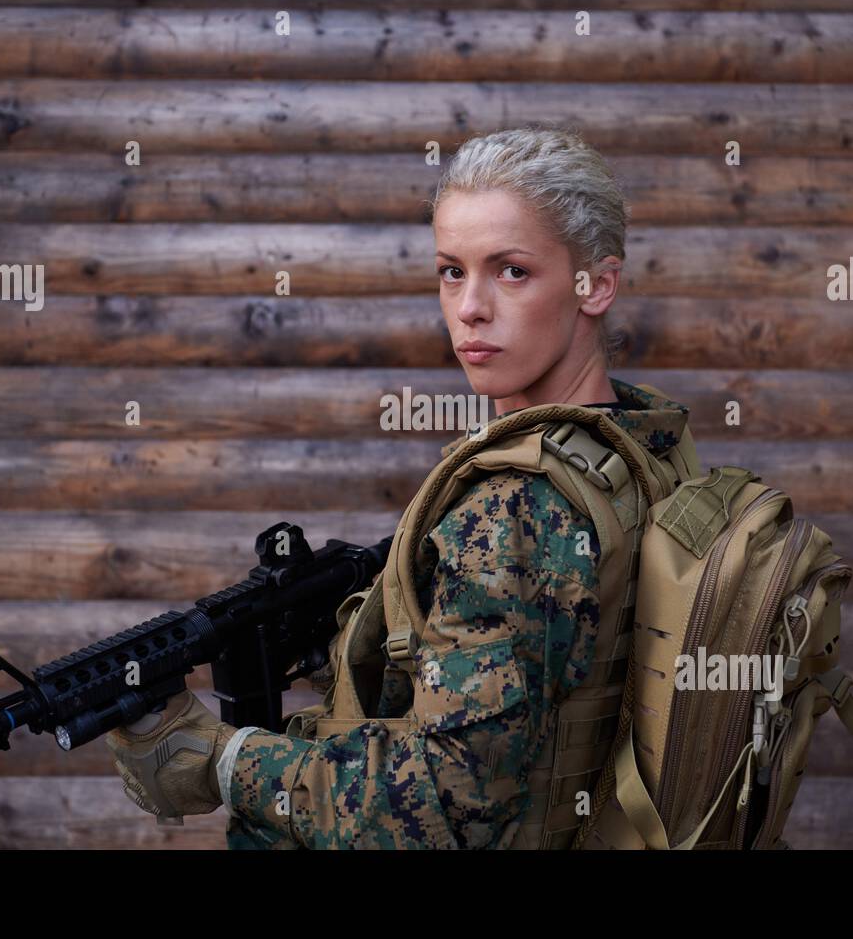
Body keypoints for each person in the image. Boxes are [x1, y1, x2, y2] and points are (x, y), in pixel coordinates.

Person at [106, 126, 693, 849]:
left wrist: (223, 761)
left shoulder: (515, 505)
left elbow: (447, 806)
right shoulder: (644, 440)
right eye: (452, 271)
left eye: (511, 271)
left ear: (596, 285)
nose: (470, 307)